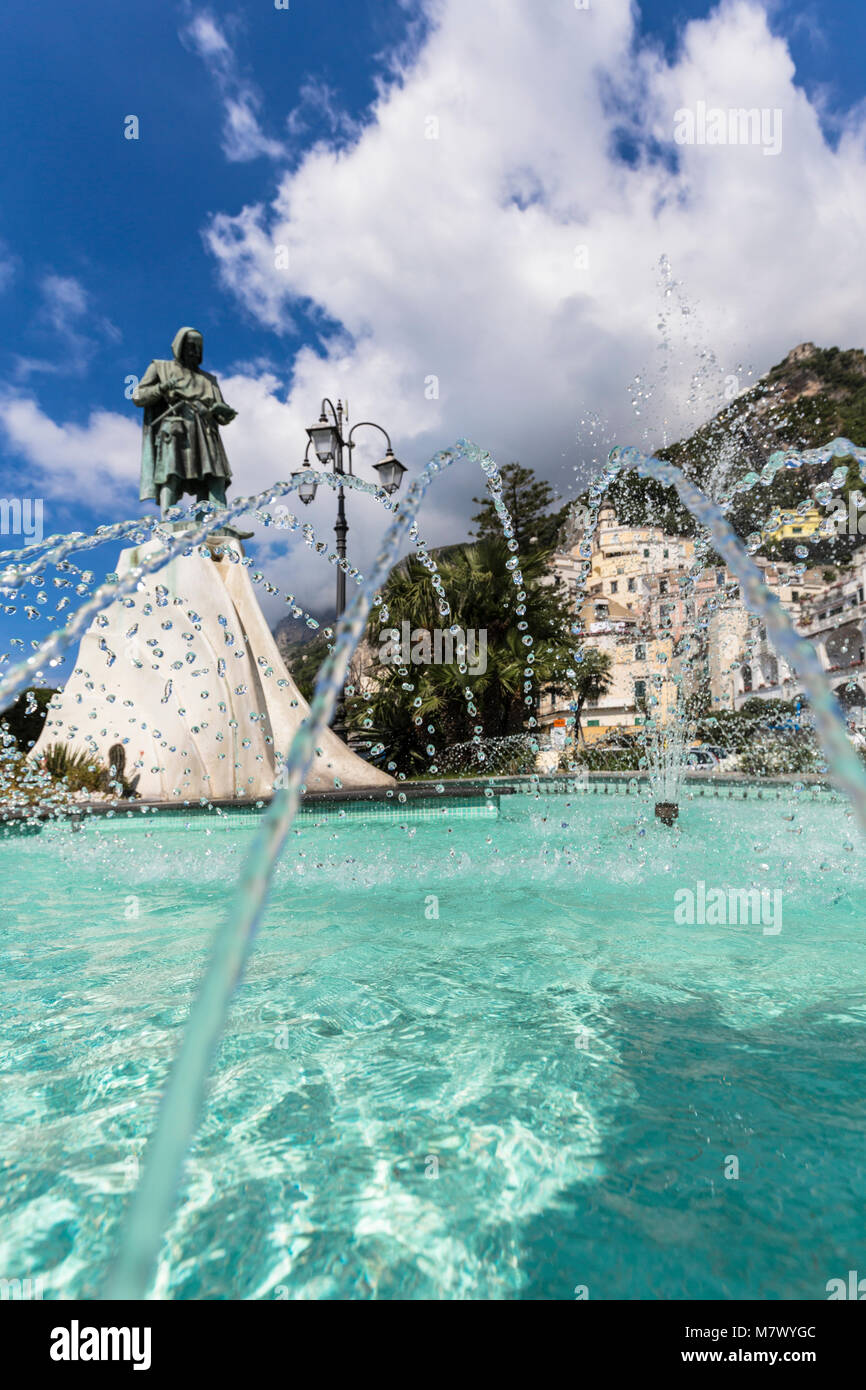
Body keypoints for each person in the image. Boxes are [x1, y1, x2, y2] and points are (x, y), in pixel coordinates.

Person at [133, 327, 237, 519]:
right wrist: (162, 388)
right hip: (176, 428)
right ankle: (168, 519)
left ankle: (215, 521)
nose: (194, 351)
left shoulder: (209, 379)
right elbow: (138, 396)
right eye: (190, 346)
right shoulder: (160, 367)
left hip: (206, 430)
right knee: (171, 473)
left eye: (198, 347)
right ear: (179, 346)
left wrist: (222, 410)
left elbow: (223, 416)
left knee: (215, 476)